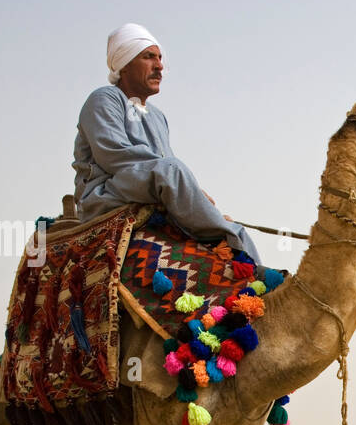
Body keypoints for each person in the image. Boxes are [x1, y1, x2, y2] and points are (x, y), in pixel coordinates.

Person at [71, 23, 265, 270]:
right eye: (148, 57)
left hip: (147, 188)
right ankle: (228, 236)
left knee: (178, 177)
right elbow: (115, 157)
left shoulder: (157, 116)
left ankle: (233, 247)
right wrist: (177, 181)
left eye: (160, 58)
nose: (159, 65)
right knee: (172, 171)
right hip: (105, 194)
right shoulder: (104, 99)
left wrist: (189, 192)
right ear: (125, 64)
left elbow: (163, 165)